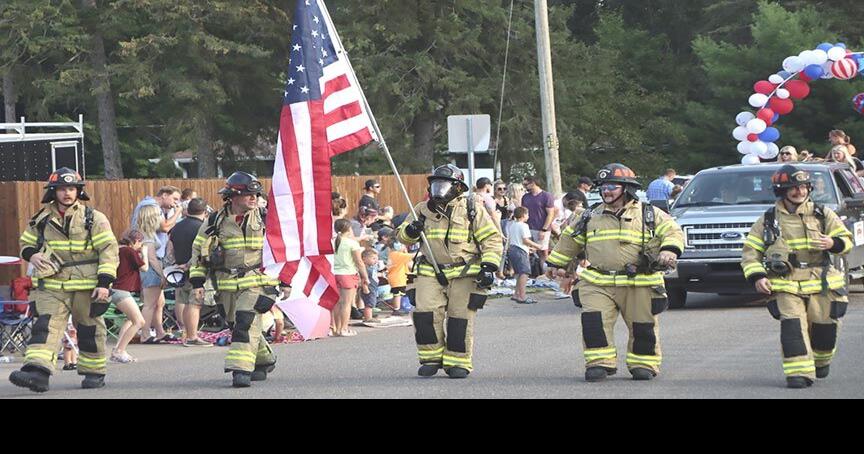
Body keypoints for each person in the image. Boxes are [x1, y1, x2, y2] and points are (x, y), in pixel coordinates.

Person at [547, 164, 684, 383]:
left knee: (643, 327)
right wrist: (555, 264)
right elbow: (569, 240)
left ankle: (643, 363)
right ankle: (599, 363)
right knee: (593, 323)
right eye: (602, 186)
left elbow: (673, 232)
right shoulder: (589, 215)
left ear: (627, 188)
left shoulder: (648, 213)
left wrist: (669, 250)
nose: (606, 191)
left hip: (640, 282)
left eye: (612, 186)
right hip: (598, 281)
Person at [741, 165, 852, 389]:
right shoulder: (768, 220)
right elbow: (750, 254)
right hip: (785, 285)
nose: (799, 192)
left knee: (825, 331)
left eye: (803, 187)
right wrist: (758, 277)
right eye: (793, 188)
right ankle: (798, 373)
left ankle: (820, 361)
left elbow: (846, 241)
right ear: (782, 191)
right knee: (792, 328)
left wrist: (833, 243)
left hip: (822, 283)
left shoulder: (823, 214)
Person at [10, 168, 119, 393]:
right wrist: (33, 255)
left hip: (86, 286)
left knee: (89, 330)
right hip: (52, 285)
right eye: (62, 189)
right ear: (53, 192)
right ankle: (38, 374)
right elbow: (25, 244)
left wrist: (104, 283)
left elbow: (109, 250)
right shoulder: (41, 219)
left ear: (79, 191)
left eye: (71, 188)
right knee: (45, 327)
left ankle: (94, 372)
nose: (67, 193)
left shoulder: (94, 218)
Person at [398, 164, 504, 379]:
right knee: (425, 314)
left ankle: (458, 361)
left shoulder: (471, 209)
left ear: (457, 187)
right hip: (430, 270)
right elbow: (403, 237)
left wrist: (489, 266)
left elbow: (491, 239)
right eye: (436, 184)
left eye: (444, 184)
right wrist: (410, 231)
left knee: (459, 318)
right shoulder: (421, 209)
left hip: (464, 272)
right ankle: (431, 358)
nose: (440, 189)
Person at [189, 172, 281, 388]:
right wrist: (197, 283)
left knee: (245, 321)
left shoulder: (266, 218)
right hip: (226, 284)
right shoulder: (214, 221)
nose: (254, 198)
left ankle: (240, 370)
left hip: (257, 281)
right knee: (237, 325)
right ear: (233, 196)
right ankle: (264, 360)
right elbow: (198, 251)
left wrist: (283, 282)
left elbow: (283, 251)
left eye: (256, 194)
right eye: (248, 194)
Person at [169, 198, 211, 347]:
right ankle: (193, 337)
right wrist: (188, 264)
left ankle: (186, 333)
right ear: (205, 211)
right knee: (195, 304)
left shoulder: (177, 227)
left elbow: (171, 249)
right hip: (195, 271)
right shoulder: (202, 228)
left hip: (179, 271)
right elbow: (202, 250)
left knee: (185, 303)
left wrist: (177, 264)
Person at [136, 204, 172, 345]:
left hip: (151, 270)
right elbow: (151, 258)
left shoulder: (146, 233)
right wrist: (162, 274)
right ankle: (145, 334)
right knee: (149, 304)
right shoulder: (147, 235)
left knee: (159, 303)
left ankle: (160, 331)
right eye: (158, 215)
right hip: (152, 271)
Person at [110, 230, 148, 364]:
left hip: (115, 288)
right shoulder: (129, 251)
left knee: (130, 320)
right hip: (122, 290)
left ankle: (118, 349)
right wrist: (145, 254)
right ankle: (120, 350)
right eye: (140, 243)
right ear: (136, 241)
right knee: (139, 321)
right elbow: (145, 268)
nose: (140, 245)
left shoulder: (118, 249)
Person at [333, 219, 368, 337]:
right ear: (348, 229)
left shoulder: (332, 241)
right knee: (346, 303)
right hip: (348, 273)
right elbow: (359, 262)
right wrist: (365, 277)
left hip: (333, 273)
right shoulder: (352, 243)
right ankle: (344, 328)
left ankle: (336, 329)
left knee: (336, 303)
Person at [131, 186, 182, 261]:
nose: (176, 203)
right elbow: (165, 228)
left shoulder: (153, 206)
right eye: (175, 199)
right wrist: (177, 212)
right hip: (149, 256)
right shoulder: (151, 206)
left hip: (149, 254)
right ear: (164, 195)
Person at [507, 207, 544, 305]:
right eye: (527, 214)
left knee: (519, 273)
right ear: (524, 215)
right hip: (520, 250)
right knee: (524, 272)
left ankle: (516, 294)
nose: (528, 216)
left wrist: (529, 248)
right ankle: (522, 296)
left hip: (512, 248)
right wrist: (537, 246)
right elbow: (525, 240)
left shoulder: (512, 225)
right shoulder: (524, 226)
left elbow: (515, 239)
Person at [521, 176, 555, 273]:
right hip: (527, 228)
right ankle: (529, 273)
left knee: (543, 252)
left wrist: (544, 229)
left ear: (533, 183)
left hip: (541, 228)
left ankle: (545, 273)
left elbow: (550, 214)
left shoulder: (546, 196)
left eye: (526, 184)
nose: (525, 186)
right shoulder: (525, 197)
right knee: (526, 251)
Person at [386, 241, 412, 316]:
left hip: (397, 277)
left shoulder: (393, 254)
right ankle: (396, 309)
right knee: (398, 294)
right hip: (398, 278)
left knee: (398, 293)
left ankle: (397, 308)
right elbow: (411, 257)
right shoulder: (397, 255)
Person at [360, 249, 380, 323]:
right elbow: (363, 279)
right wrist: (365, 288)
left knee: (371, 303)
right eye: (373, 258)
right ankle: (368, 318)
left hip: (373, 288)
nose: (376, 261)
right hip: (369, 288)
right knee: (369, 304)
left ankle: (368, 316)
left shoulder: (371, 268)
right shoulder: (365, 269)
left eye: (377, 259)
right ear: (364, 259)